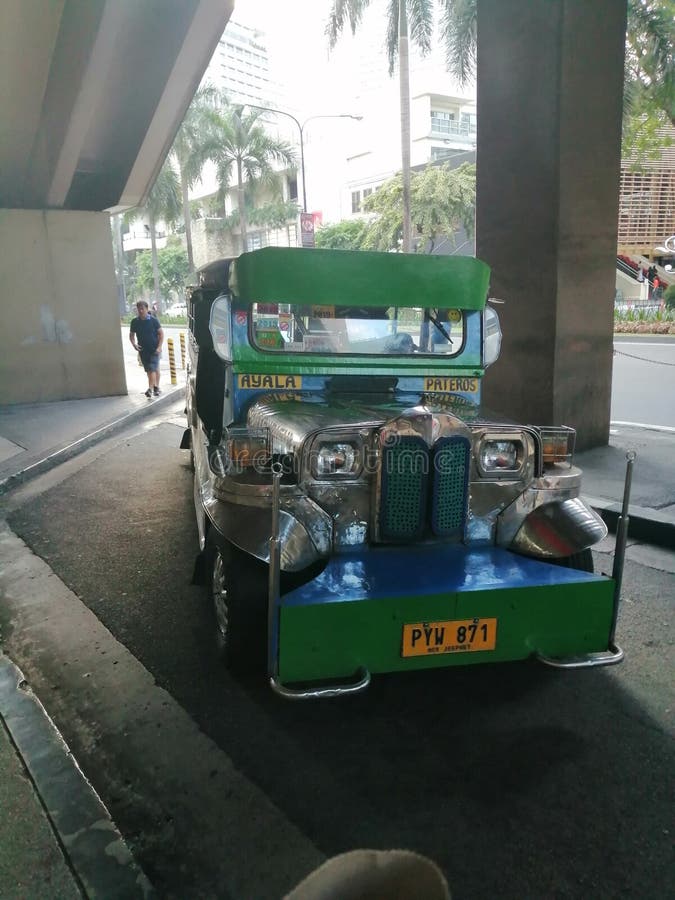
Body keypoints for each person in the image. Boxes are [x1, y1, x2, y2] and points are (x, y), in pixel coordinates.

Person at [129, 300, 164, 397]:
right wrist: (134, 344)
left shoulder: (153, 321)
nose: (140, 311)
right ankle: (156, 388)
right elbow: (131, 335)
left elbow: (161, 334)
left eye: (142, 309)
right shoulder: (135, 322)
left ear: (146, 309)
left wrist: (159, 347)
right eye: (138, 309)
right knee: (151, 370)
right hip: (143, 350)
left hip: (155, 349)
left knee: (152, 368)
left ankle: (150, 388)